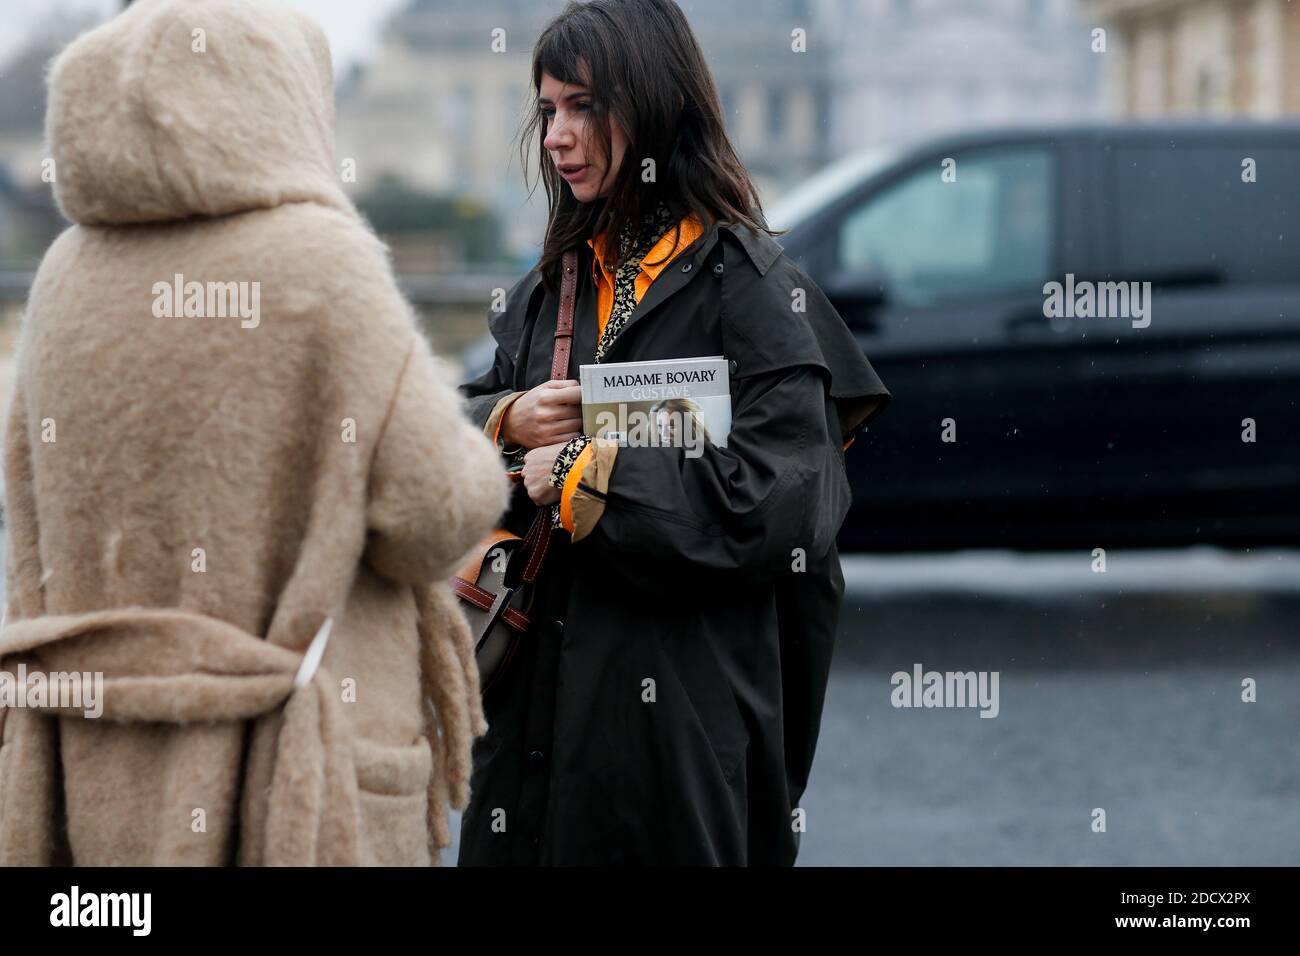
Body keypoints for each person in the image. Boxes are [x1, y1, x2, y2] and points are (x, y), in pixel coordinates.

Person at [0, 0, 507, 865]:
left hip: (96, 761)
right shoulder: (323, 263)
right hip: (295, 777)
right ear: (281, 97)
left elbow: (29, 503)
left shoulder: (61, 281)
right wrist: (492, 447)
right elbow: (434, 516)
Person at [457, 0, 892, 865]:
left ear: (651, 106)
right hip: (527, 737)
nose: (556, 137)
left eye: (583, 107)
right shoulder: (556, 282)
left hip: (674, 744)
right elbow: (449, 428)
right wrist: (503, 421)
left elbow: (786, 507)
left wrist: (592, 475)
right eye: (548, 111)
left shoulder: (755, 288)